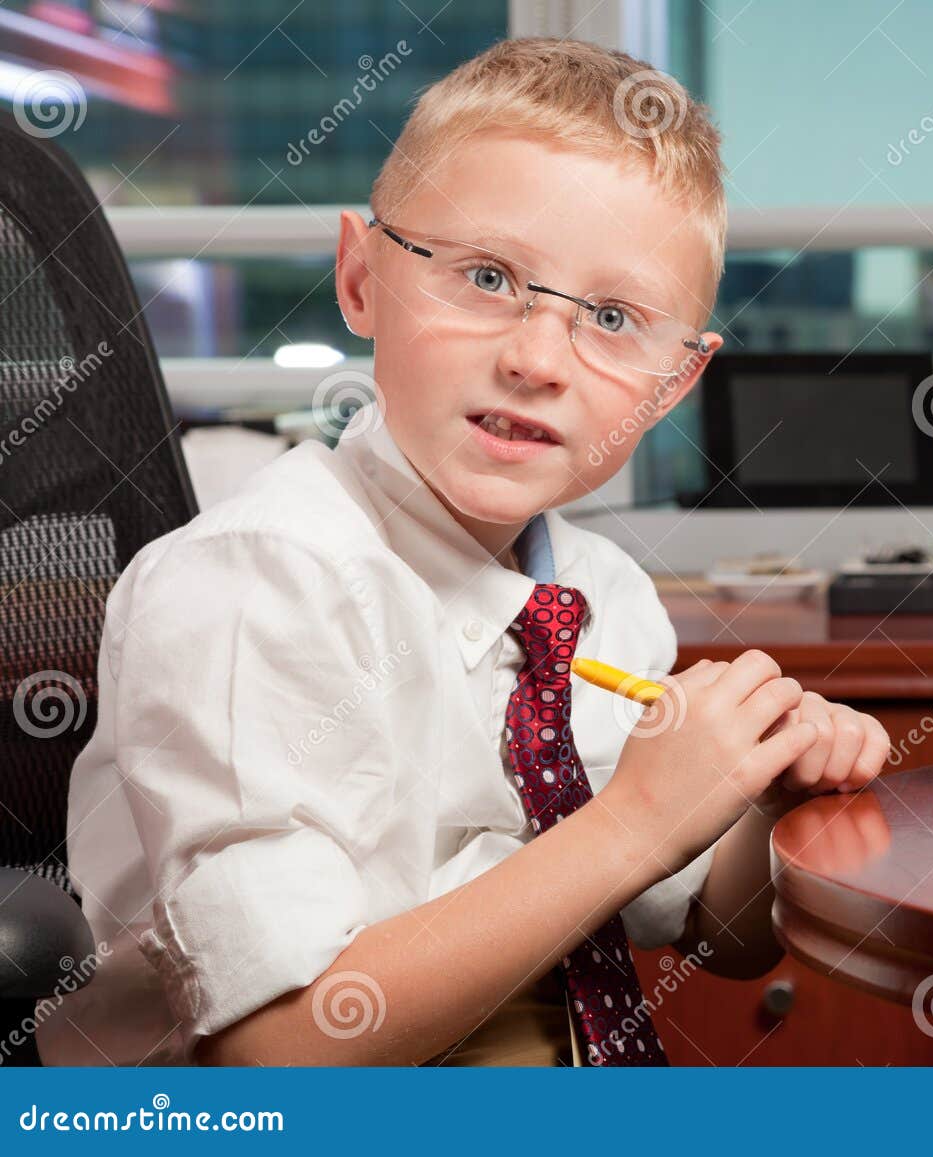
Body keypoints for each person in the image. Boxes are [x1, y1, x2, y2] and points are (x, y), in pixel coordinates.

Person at [37, 37, 889, 1068]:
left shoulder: (601, 593)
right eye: (487, 276)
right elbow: (282, 1050)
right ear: (359, 279)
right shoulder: (254, 585)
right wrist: (631, 823)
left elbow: (725, 937)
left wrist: (758, 800)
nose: (535, 359)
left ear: (670, 385)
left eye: (613, 319)